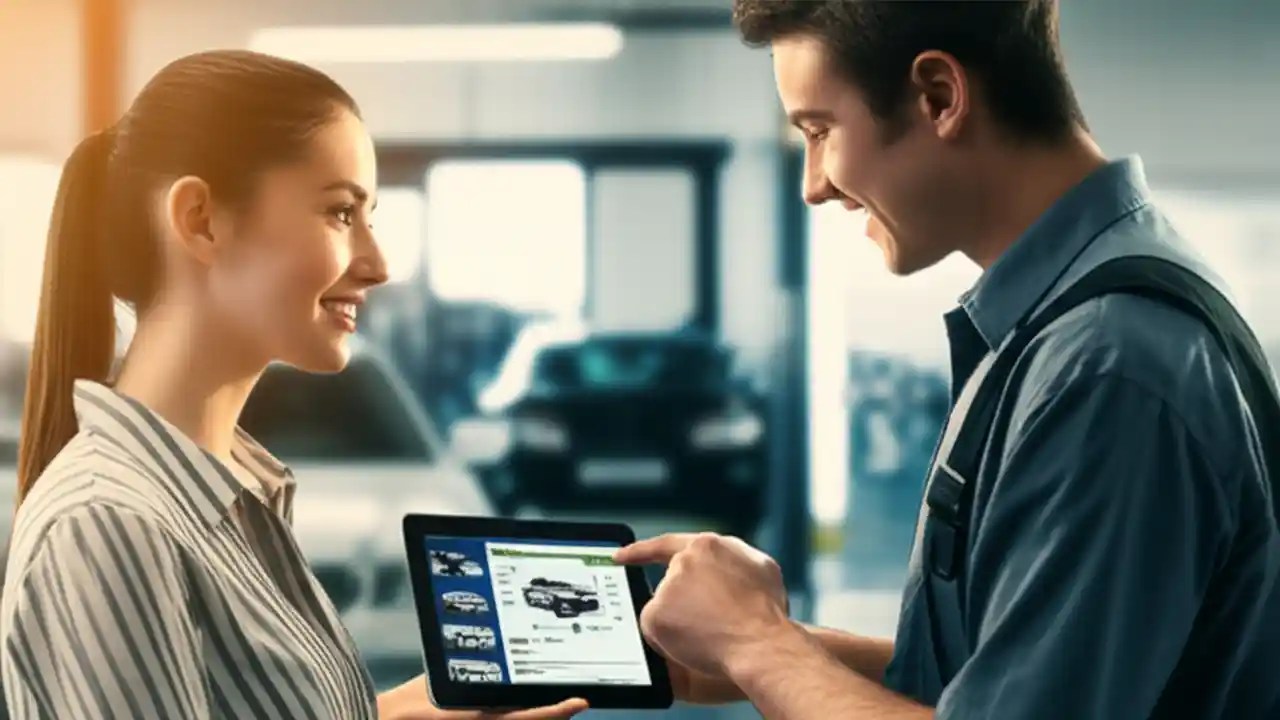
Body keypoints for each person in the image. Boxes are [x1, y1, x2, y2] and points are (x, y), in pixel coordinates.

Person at [615, 2, 1279, 718]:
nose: (814, 184)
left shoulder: (1105, 365)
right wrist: (753, 647)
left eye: (819, 131)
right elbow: (992, 680)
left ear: (939, 97)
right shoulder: (1069, 320)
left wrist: (757, 642)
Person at [0, 49, 586, 720]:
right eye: (341, 213)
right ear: (200, 219)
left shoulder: (225, 496)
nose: (378, 263)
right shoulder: (109, 524)